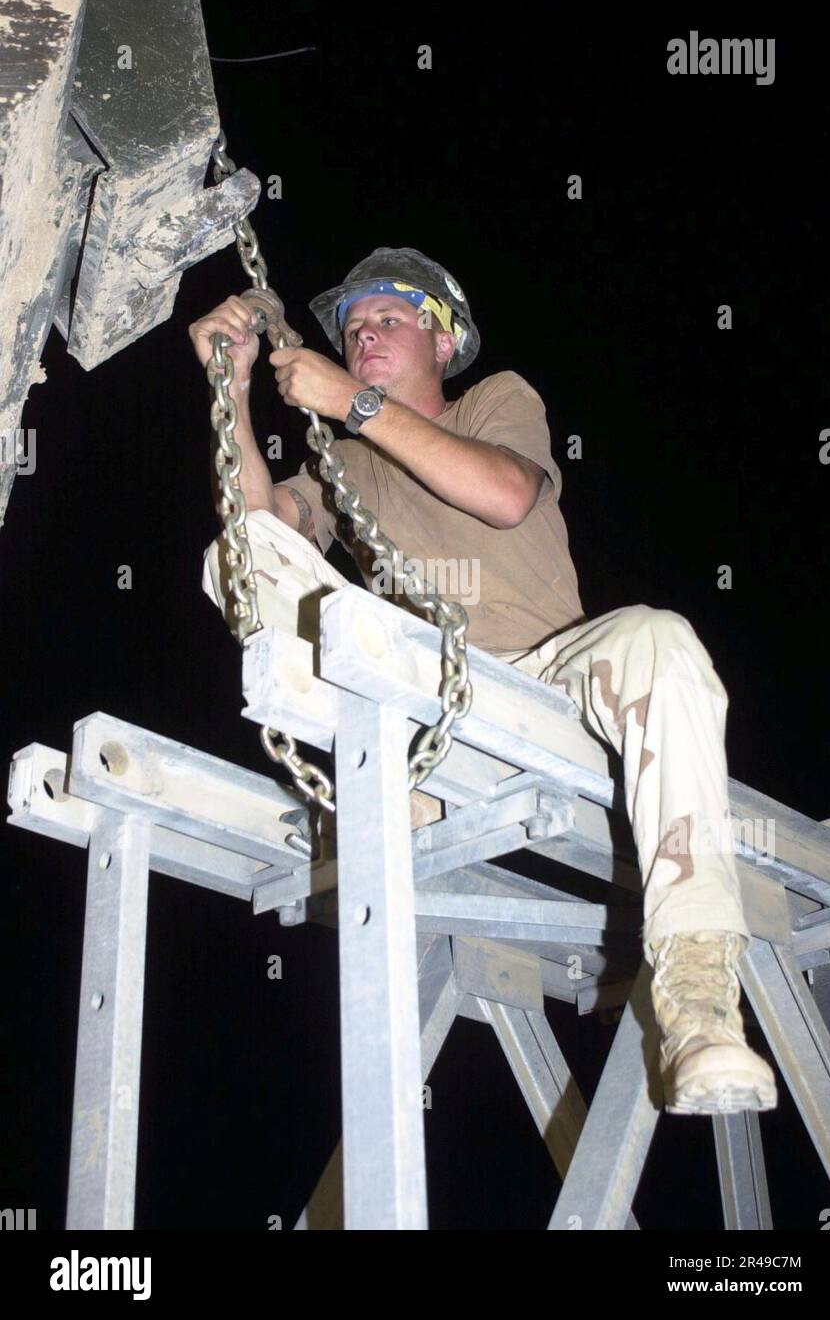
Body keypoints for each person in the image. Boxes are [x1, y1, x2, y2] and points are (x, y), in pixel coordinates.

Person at [189, 246, 778, 1116]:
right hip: (426, 695)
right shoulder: (347, 468)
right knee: (233, 556)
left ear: (442, 334)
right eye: (352, 330)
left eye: (386, 318)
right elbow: (258, 523)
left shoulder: (499, 400)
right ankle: (376, 763)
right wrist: (230, 388)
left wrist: (355, 402)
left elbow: (505, 495)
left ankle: (697, 993)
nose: (363, 335)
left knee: (659, 638)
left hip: (549, 676)